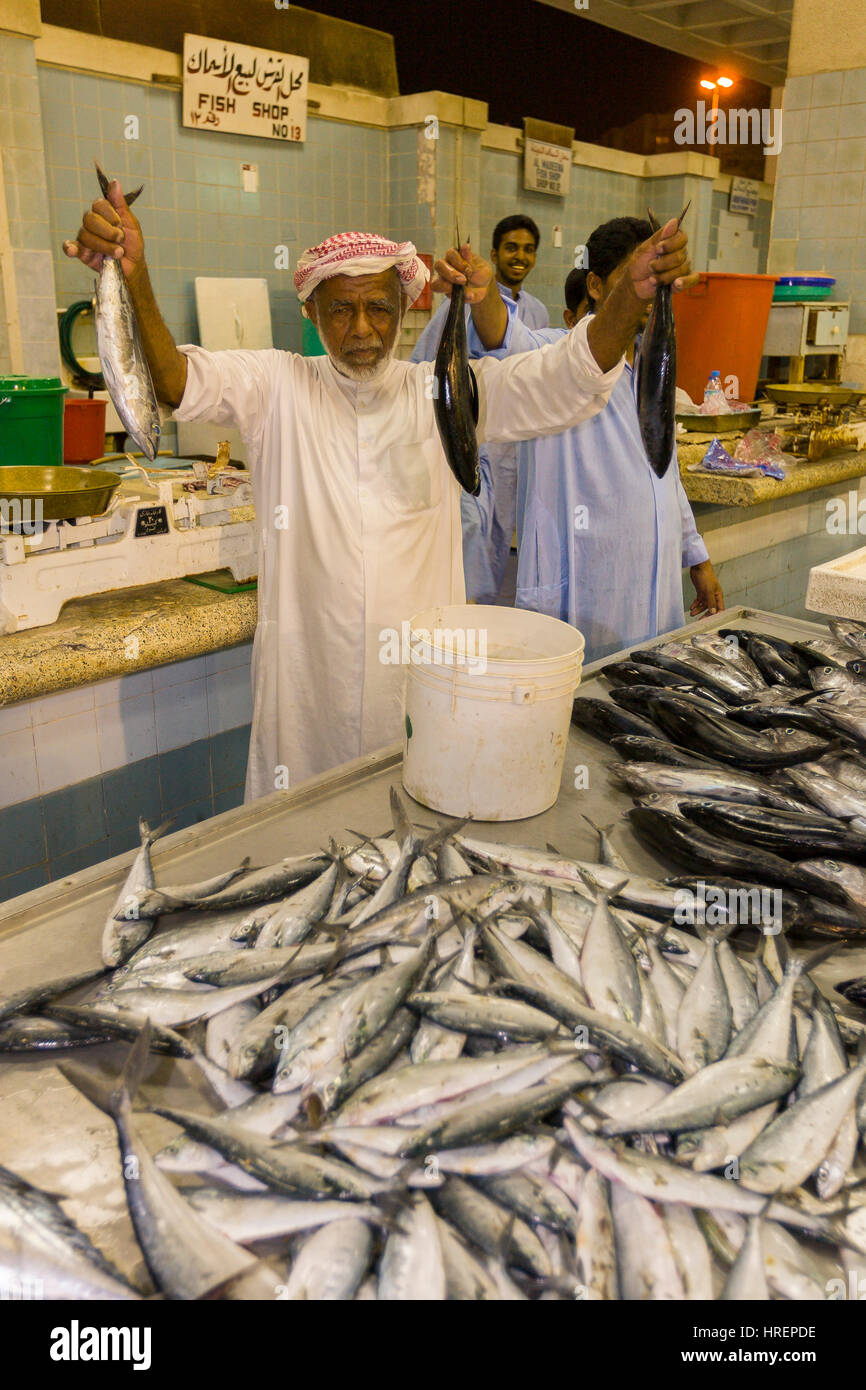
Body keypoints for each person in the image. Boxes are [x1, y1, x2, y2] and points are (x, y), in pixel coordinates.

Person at [64, 188, 694, 799]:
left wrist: (629, 298)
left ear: (407, 308)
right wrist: (134, 272)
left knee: (416, 850)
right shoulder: (276, 386)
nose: (362, 329)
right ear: (311, 312)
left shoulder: (443, 393)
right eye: (341, 309)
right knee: (304, 854)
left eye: (380, 309)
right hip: (307, 696)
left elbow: (562, 376)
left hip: (414, 686)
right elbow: (174, 379)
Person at [496, 217, 723, 662]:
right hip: (584, 593)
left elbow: (666, 474)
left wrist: (698, 558)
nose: (646, 295)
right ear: (597, 285)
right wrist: (484, 296)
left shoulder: (647, 369)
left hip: (652, 590)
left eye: (656, 284)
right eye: (635, 279)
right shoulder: (551, 353)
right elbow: (503, 338)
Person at [412, 216, 549, 603]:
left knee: (495, 546)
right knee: (464, 544)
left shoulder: (536, 311)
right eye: (510, 247)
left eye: (527, 249)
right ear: (494, 253)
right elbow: (424, 367)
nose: (519, 256)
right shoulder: (462, 303)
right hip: (463, 444)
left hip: (508, 450)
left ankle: (479, 622)